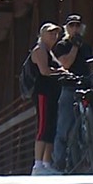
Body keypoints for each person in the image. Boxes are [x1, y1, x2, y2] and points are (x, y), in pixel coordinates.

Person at [52, 14, 93, 172]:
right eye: (72, 25)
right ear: (66, 28)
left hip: (86, 86)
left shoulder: (86, 46)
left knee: (87, 127)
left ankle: (86, 163)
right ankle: (59, 164)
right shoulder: (62, 45)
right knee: (64, 127)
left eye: (77, 25)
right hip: (68, 88)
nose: (75, 28)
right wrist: (75, 47)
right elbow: (65, 64)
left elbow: (90, 67)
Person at [30, 22, 64, 175]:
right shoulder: (39, 50)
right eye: (50, 32)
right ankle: (37, 166)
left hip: (52, 93)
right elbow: (44, 71)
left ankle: (46, 164)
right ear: (41, 34)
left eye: (56, 33)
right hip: (43, 92)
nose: (54, 35)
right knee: (43, 126)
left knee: (51, 127)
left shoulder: (49, 51)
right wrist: (61, 72)